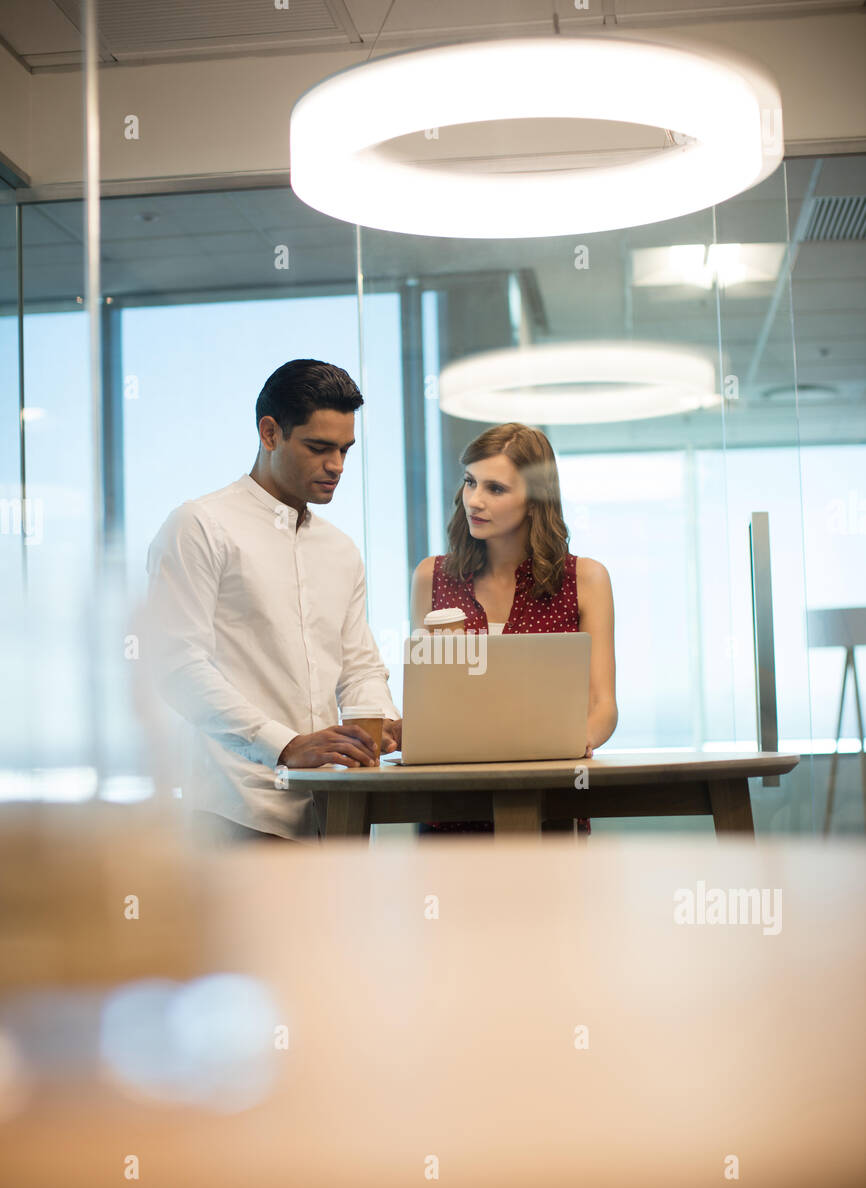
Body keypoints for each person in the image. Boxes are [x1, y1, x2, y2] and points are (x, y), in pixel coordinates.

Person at [145, 359, 402, 845]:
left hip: (338, 810)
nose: (337, 466)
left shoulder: (341, 549)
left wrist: (378, 727)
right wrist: (284, 746)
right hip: (237, 813)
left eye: (346, 450)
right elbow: (175, 665)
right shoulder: (198, 526)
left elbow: (360, 667)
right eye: (319, 448)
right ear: (269, 433)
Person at [409, 422, 617, 835]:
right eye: (470, 483)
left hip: (550, 803)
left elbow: (603, 707)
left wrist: (569, 745)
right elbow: (426, 703)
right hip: (448, 807)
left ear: (536, 500)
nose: (475, 501)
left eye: (496, 489)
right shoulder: (431, 576)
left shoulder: (586, 579)